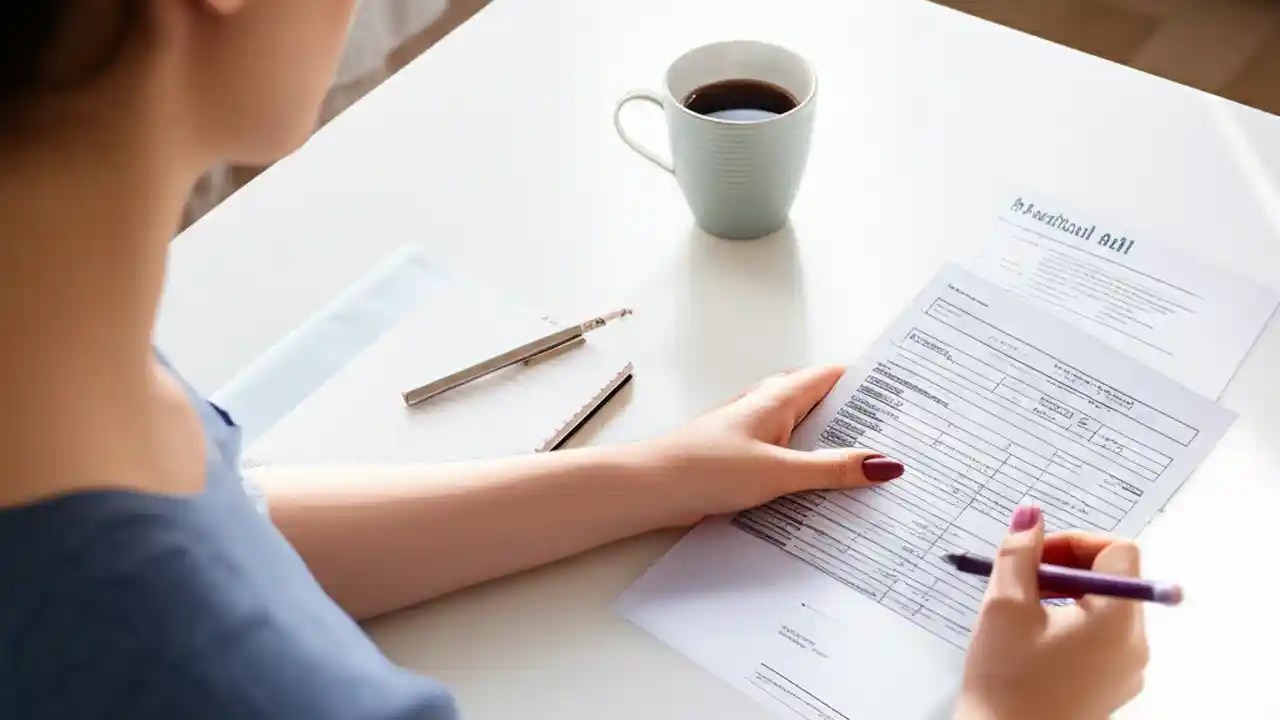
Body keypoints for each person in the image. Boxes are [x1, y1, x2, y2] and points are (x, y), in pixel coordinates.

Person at [0, 3, 1147, 718]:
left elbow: (226, 528)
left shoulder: (54, 338)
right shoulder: (251, 691)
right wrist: (1010, 715)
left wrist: (654, 478)